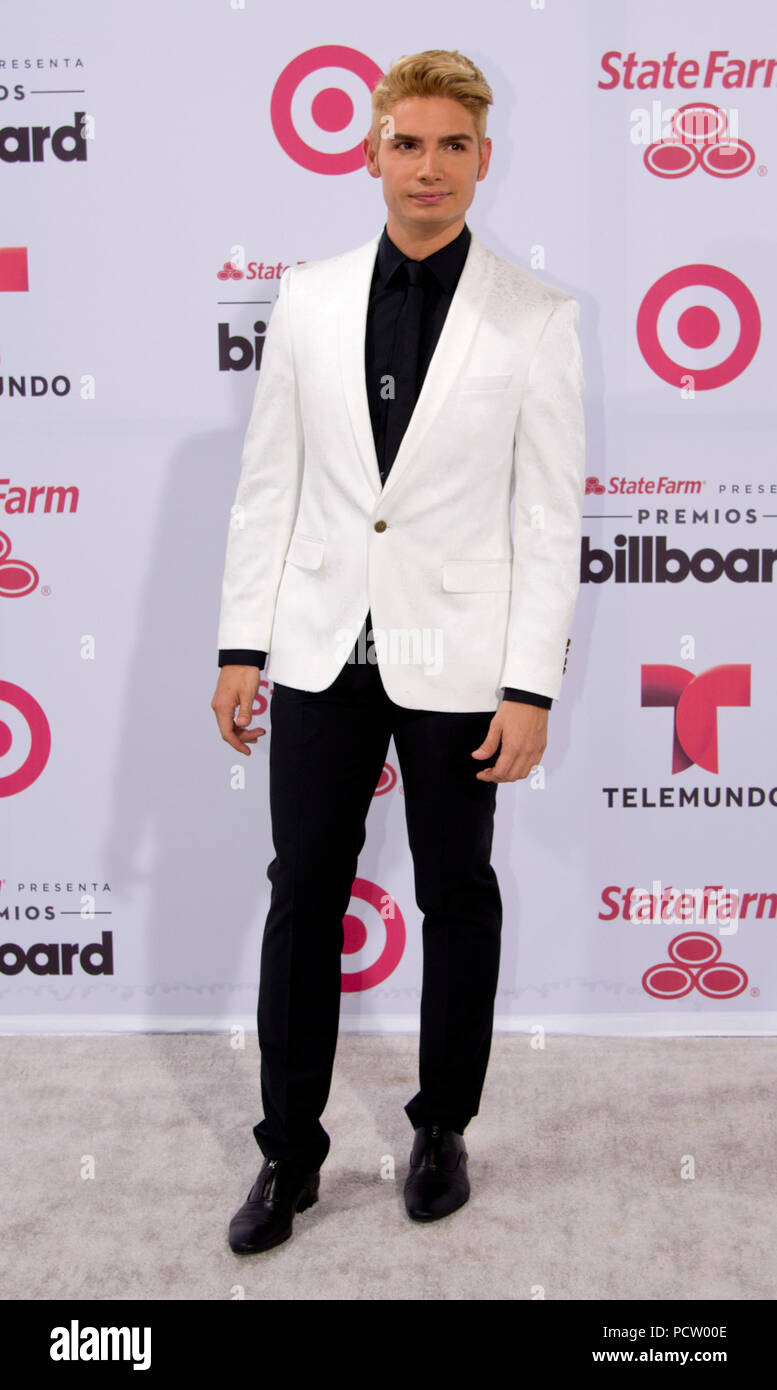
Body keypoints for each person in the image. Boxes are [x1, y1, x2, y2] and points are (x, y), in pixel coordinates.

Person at [211, 48, 585, 1254]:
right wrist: (239, 643)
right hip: (322, 647)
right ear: (371, 153)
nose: (430, 168)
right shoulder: (308, 298)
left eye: (453, 145)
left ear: (486, 157)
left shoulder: (537, 316)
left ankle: (440, 1127)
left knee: (455, 893)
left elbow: (547, 517)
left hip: (461, 653)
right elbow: (270, 484)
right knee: (300, 897)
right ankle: (289, 1155)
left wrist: (529, 685)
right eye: (408, 144)